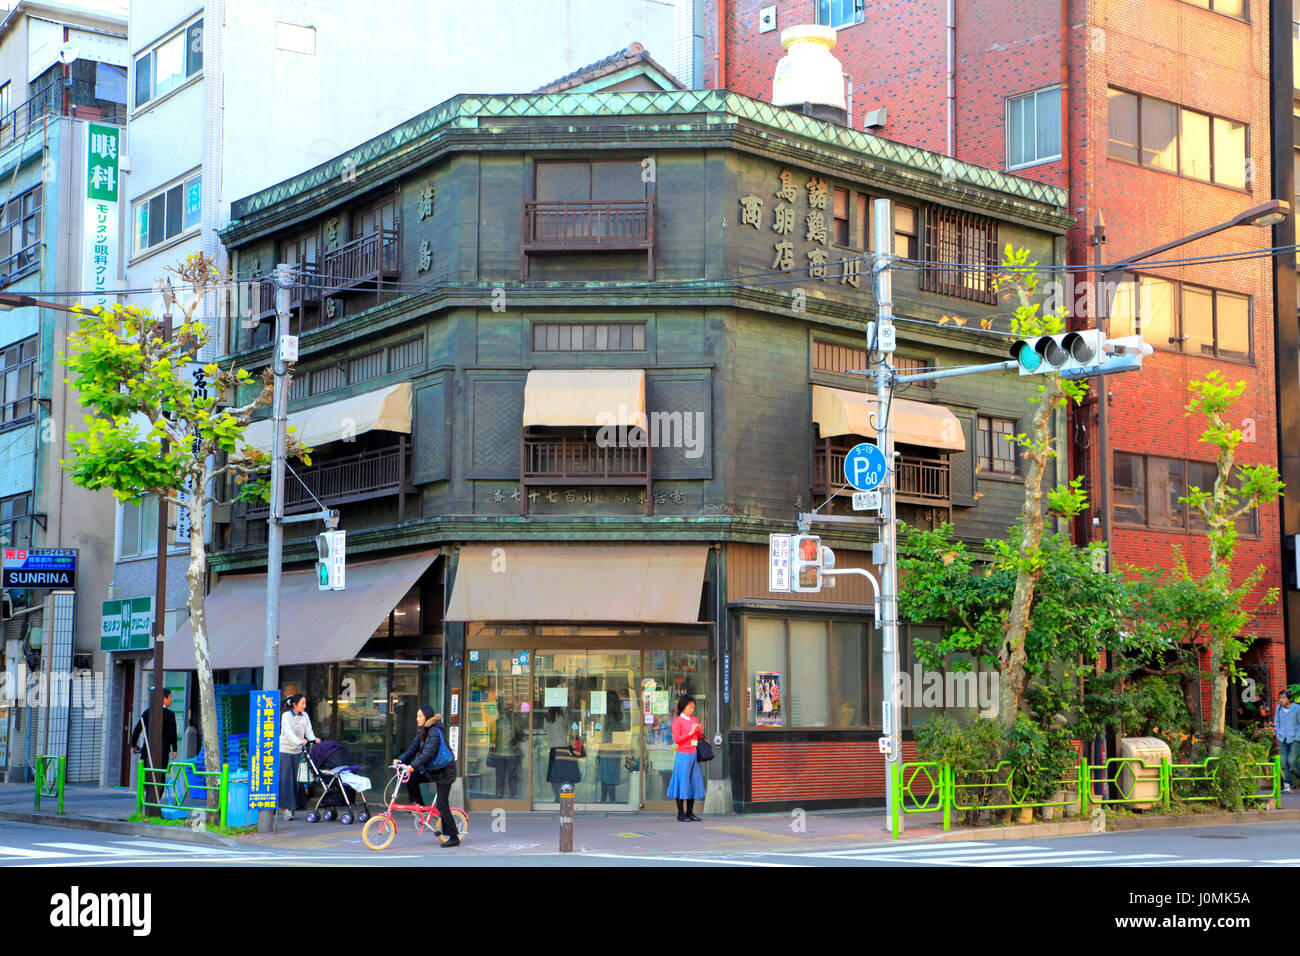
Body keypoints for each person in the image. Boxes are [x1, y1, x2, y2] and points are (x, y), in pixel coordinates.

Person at [394, 705, 460, 847]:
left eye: (419, 716)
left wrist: (412, 766)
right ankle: (421, 809)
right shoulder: (423, 730)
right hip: (432, 770)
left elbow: (427, 753)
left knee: (442, 805)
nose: (417, 718)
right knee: (409, 778)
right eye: (417, 716)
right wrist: (400, 760)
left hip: (444, 772)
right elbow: (413, 749)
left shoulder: (435, 731)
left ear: (427, 717)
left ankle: (454, 837)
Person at [278, 693, 319, 820]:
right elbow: (288, 733)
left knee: (298, 780)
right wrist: (299, 741)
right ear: (294, 705)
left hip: (298, 751)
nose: (304, 706)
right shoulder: (286, 716)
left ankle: (293, 806)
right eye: (302, 703)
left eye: (305, 703)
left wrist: (313, 739)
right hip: (285, 750)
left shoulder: (305, 716)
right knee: (286, 780)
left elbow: (309, 731)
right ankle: (286, 809)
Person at [666, 694, 706, 822]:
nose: (692, 709)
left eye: (693, 707)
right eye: (690, 707)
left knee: (693, 782)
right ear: (683, 707)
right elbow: (677, 739)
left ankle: (690, 812)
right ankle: (680, 813)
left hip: (694, 753)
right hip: (683, 754)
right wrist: (690, 732)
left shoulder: (694, 719)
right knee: (682, 783)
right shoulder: (678, 721)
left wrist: (699, 731)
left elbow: (698, 736)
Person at [130, 688, 178, 769]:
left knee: (145, 775)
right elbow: (172, 734)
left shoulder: (147, 712)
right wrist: (174, 749)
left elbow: (137, 729)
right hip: (163, 751)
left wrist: (134, 745)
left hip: (147, 750)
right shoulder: (169, 715)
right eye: (170, 697)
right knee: (160, 775)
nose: (171, 700)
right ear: (163, 698)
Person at [491, 701, 522, 799]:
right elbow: (520, 735)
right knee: (511, 776)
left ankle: (499, 794)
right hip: (512, 753)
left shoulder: (495, 723)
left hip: (499, 753)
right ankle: (512, 795)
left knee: (500, 775)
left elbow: (492, 739)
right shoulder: (515, 722)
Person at [1276, 691, 1300, 793]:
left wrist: (1298, 737)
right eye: (1280, 698)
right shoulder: (1279, 708)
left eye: (1283, 698)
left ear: (1289, 699)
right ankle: (1287, 785)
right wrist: (1278, 733)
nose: (1281, 700)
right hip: (1282, 739)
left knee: (1292, 761)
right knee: (1283, 763)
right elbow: (1276, 722)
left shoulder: (1297, 709)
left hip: (1295, 739)